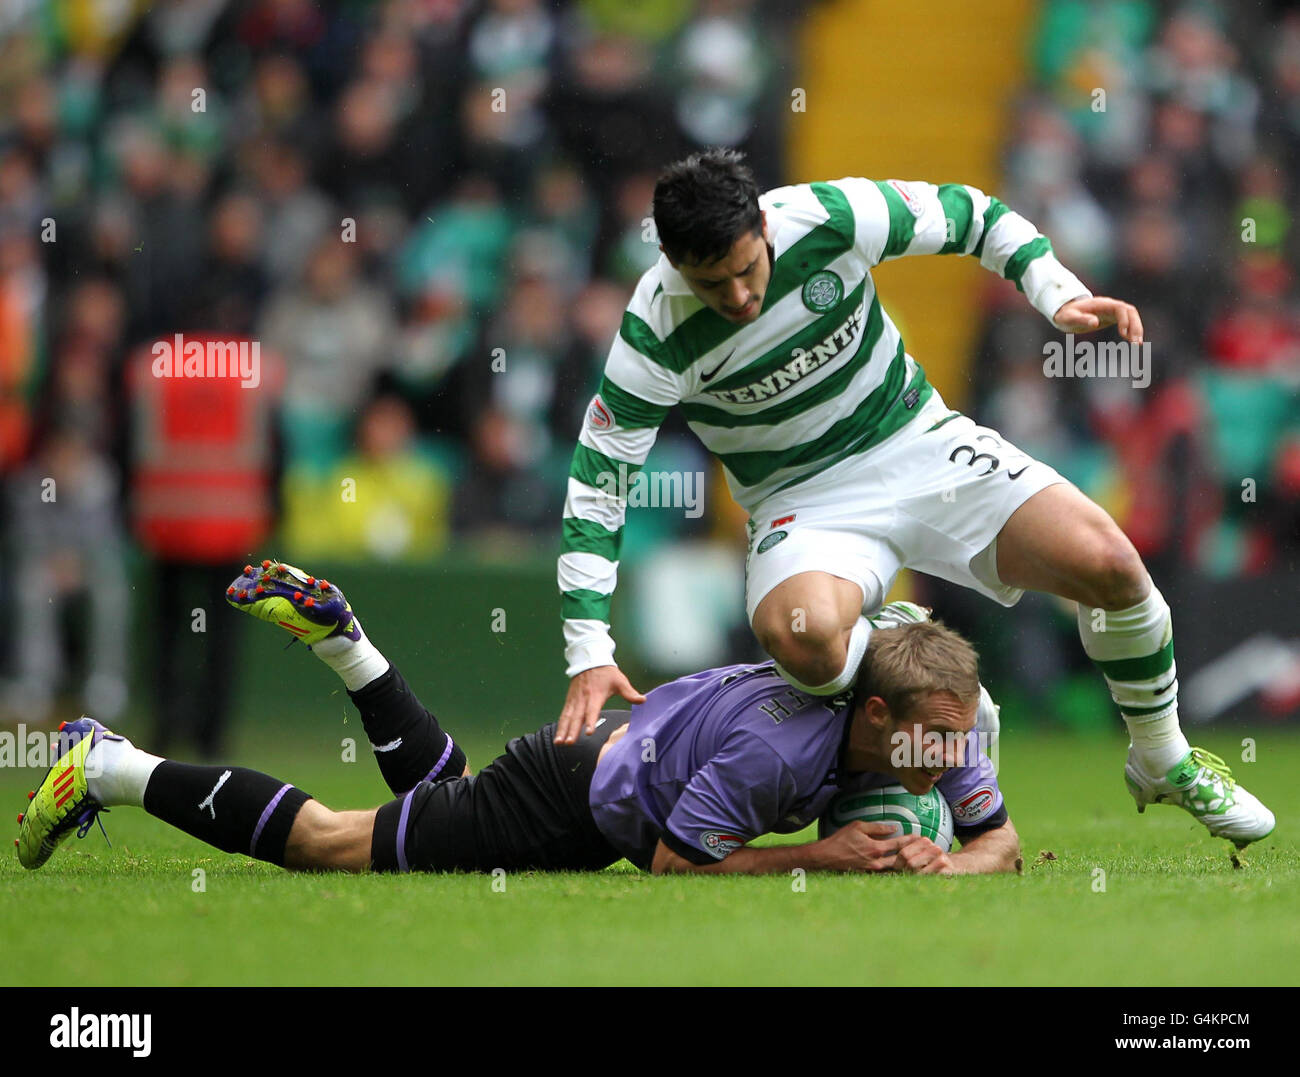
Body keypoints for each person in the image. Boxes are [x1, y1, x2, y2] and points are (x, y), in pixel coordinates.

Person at [555, 147, 1273, 848]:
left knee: (1110, 563)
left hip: (918, 442)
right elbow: (600, 483)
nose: (740, 298)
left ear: (765, 230)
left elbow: (972, 214)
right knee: (802, 636)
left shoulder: (828, 216)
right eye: (715, 286)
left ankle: (1162, 754)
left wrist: (1057, 291)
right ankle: (907, 643)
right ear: (676, 266)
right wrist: (589, 646)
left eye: (748, 270)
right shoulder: (654, 332)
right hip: (801, 499)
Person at [16, 563, 1018, 877]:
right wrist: (825, 857)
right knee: (331, 844)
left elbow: (1000, 844)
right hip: (573, 796)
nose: (946, 758)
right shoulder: (777, 746)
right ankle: (106, 765)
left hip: (600, 763)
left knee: (436, 800)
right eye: (930, 739)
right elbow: (678, 867)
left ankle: (345, 642)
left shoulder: (926, 704)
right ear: (874, 710)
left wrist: (949, 864)